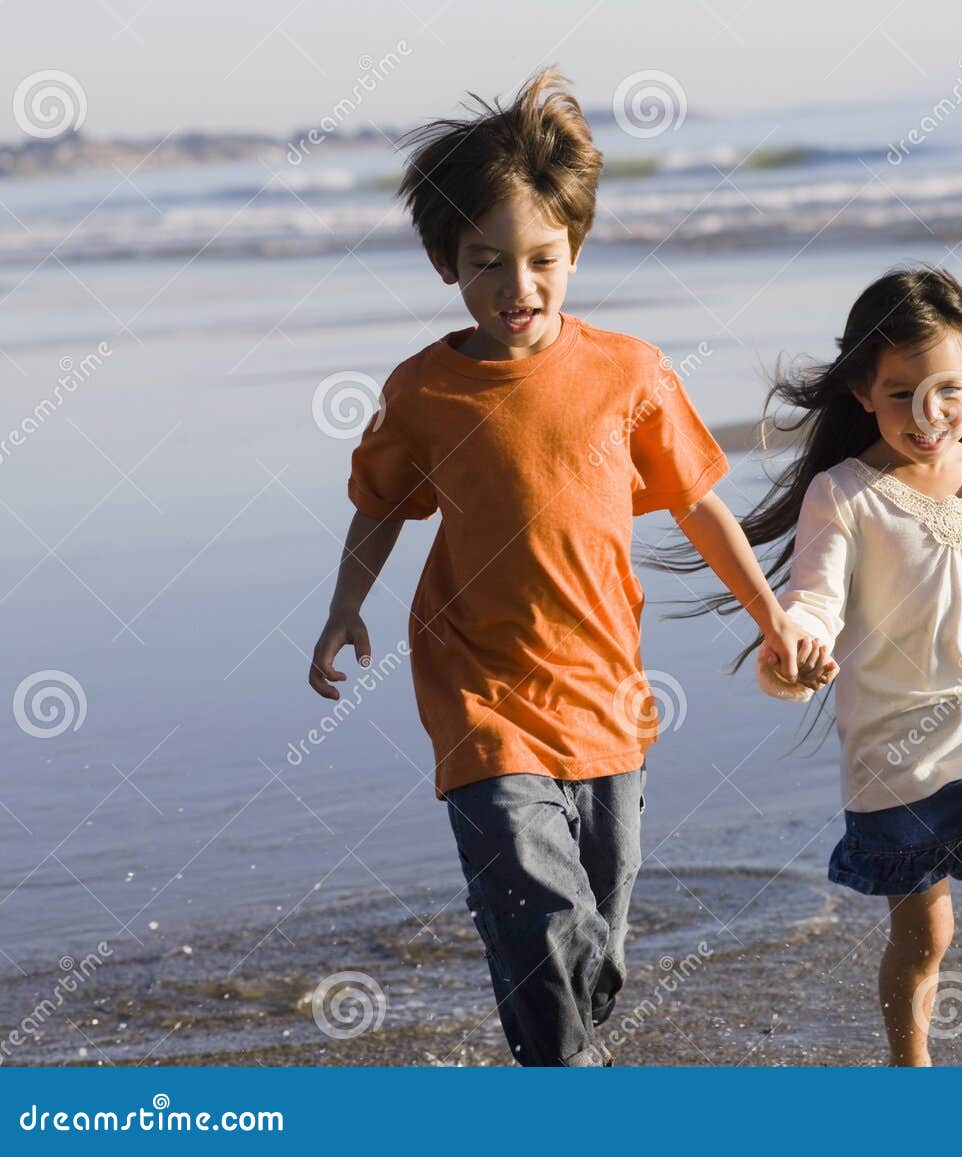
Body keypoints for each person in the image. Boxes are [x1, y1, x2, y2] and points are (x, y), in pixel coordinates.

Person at [306, 67, 830, 1066]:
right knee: (542, 905)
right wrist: (344, 608)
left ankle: (559, 1057)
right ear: (443, 263)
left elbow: (698, 503)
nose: (519, 287)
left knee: (596, 930)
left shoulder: (628, 372)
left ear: (574, 250)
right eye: (487, 263)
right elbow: (379, 504)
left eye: (541, 258)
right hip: (479, 687)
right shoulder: (421, 390)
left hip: (604, 692)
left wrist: (772, 617)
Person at [675, 265, 962, 1065]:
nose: (929, 414)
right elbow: (813, 602)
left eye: (949, 389)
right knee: (925, 934)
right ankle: (908, 1064)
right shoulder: (844, 495)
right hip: (895, 746)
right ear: (861, 393)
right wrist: (796, 650)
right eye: (900, 393)